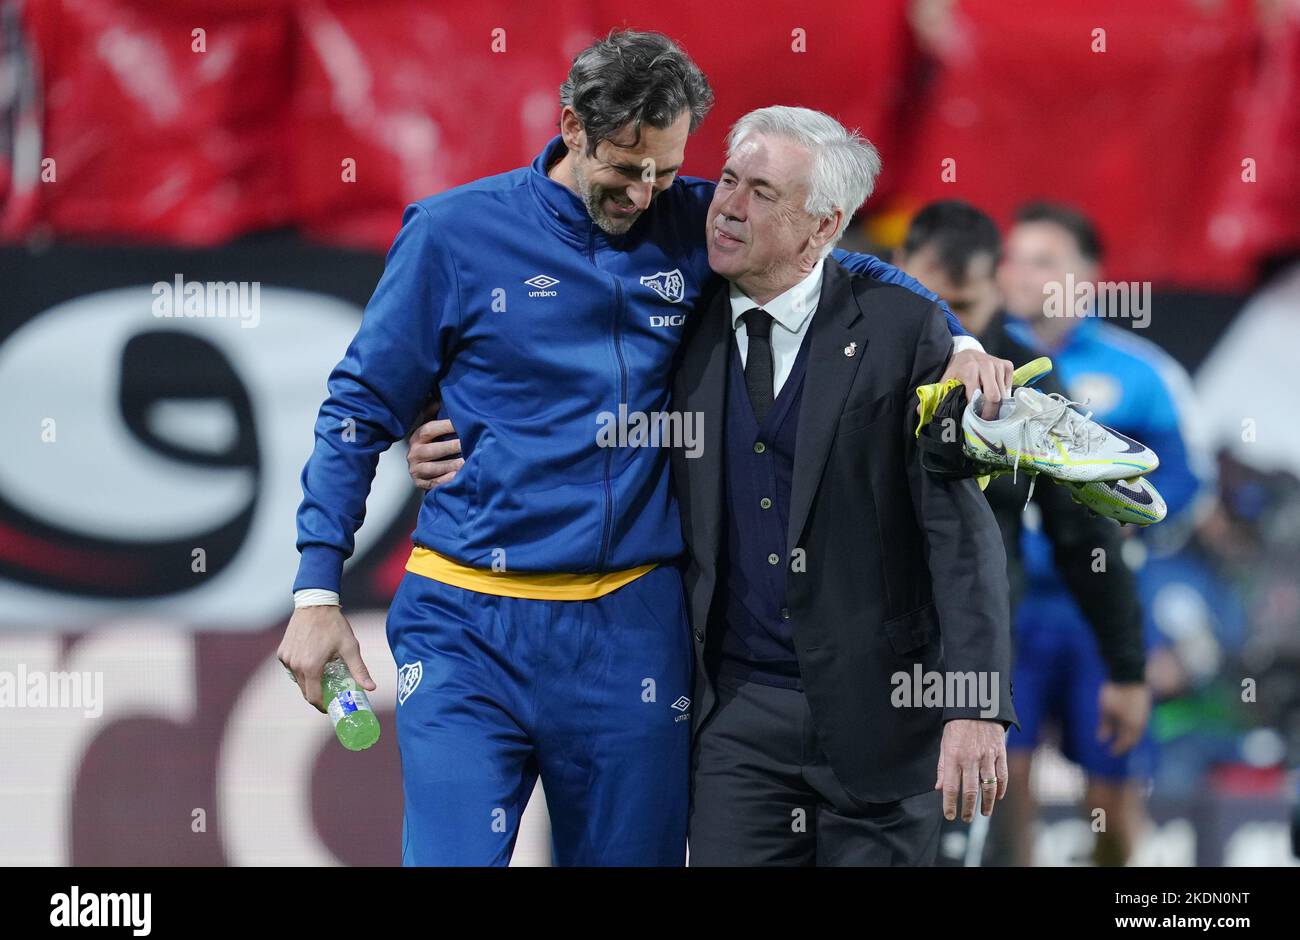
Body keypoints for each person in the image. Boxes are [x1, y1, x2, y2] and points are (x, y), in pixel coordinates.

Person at [280, 29, 1009, 867]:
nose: (645, 192)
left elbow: (847, 267)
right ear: (570, 127)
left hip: (629, 632)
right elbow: (356, 408)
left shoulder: (692, 223)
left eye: (665, 168)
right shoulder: (452, 236)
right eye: (625, 169)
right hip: (466, 627)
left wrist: (954, 340)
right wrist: (314, 590)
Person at [672, 108, 1015, 866]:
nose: (727, 206)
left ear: (822, 226)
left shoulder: (903, 332)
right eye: (728, 178)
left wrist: (976, 705)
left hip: (887, 716)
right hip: (734, 718)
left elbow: (959, 534)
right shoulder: (677, 313)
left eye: (762, 193)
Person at [895, 199, 1150, 866]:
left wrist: (1126, 667)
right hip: (855, 650)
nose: (951, 328)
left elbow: (1084, 538)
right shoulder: (854, 359)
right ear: (898, 272)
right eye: (933, 303)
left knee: (966, 844)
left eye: (966, 307)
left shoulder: (1027, 379)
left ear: (994, 288)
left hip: (970, 651)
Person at [995, 201, 1214, 865]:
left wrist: (1124, 526)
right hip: (1009, 607)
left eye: (1043, 260)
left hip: (1101, 610)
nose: (1021, 274)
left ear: (1086, 276)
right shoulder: (975, 361)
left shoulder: (1140, 373)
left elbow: (1189, 478)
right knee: (1005, 781)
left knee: (1112, 791)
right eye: (1013, 258)